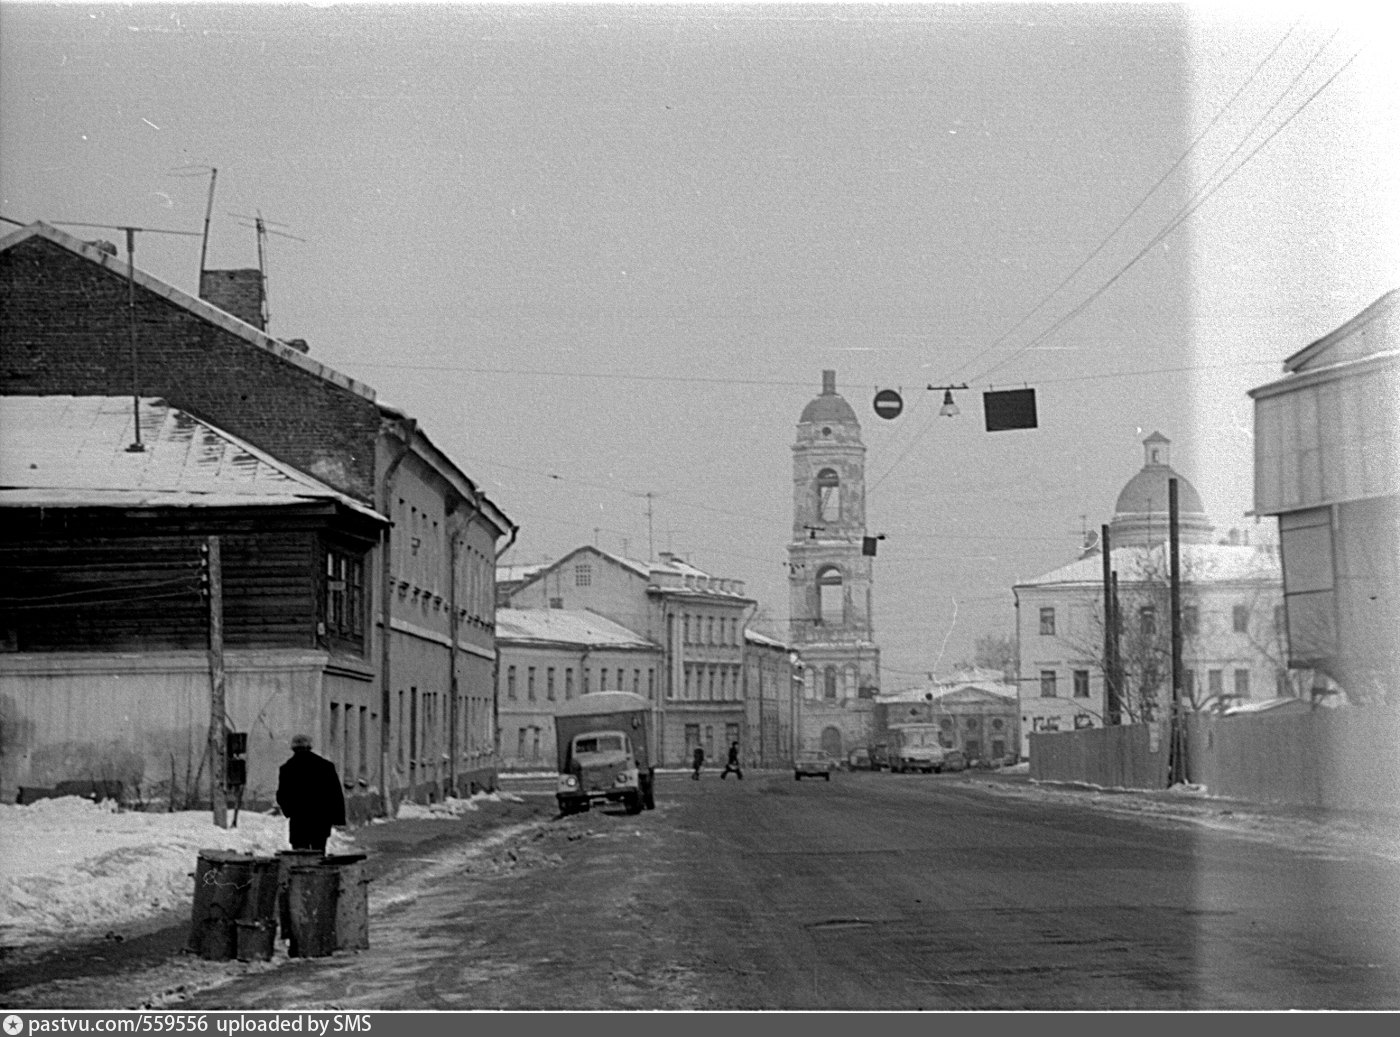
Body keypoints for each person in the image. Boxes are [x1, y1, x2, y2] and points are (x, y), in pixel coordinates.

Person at [275, 733, 346, 852]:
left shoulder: (287, 768)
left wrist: (289, 811)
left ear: (293, 748)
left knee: (300, 853)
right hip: (321, 819)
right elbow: (335, 794)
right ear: (309, 746)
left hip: (299, 820)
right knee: (318, 851)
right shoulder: (325, 766)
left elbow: (282, 795)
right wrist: (337, 818)